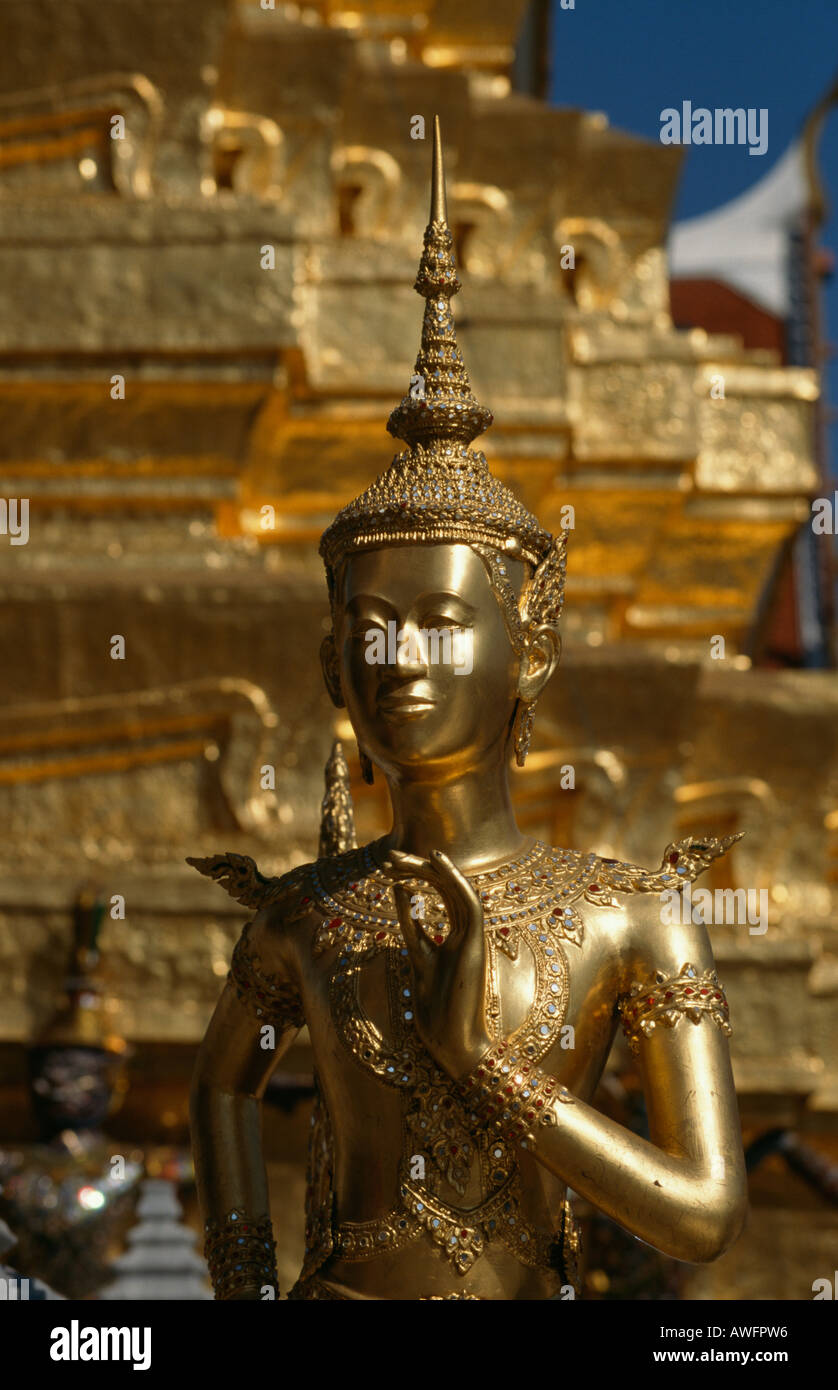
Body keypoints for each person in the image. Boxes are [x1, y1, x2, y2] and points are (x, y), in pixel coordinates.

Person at [189, 118, 747, 1301]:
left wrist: (489, 1069)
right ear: (331, 665)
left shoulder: (625, 915)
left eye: (442, 625)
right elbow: (221, 1086)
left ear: (529, 649)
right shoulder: (306, 915)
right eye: (369, 630)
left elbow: (703, 1213)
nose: (401, 659)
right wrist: (243, 1277)